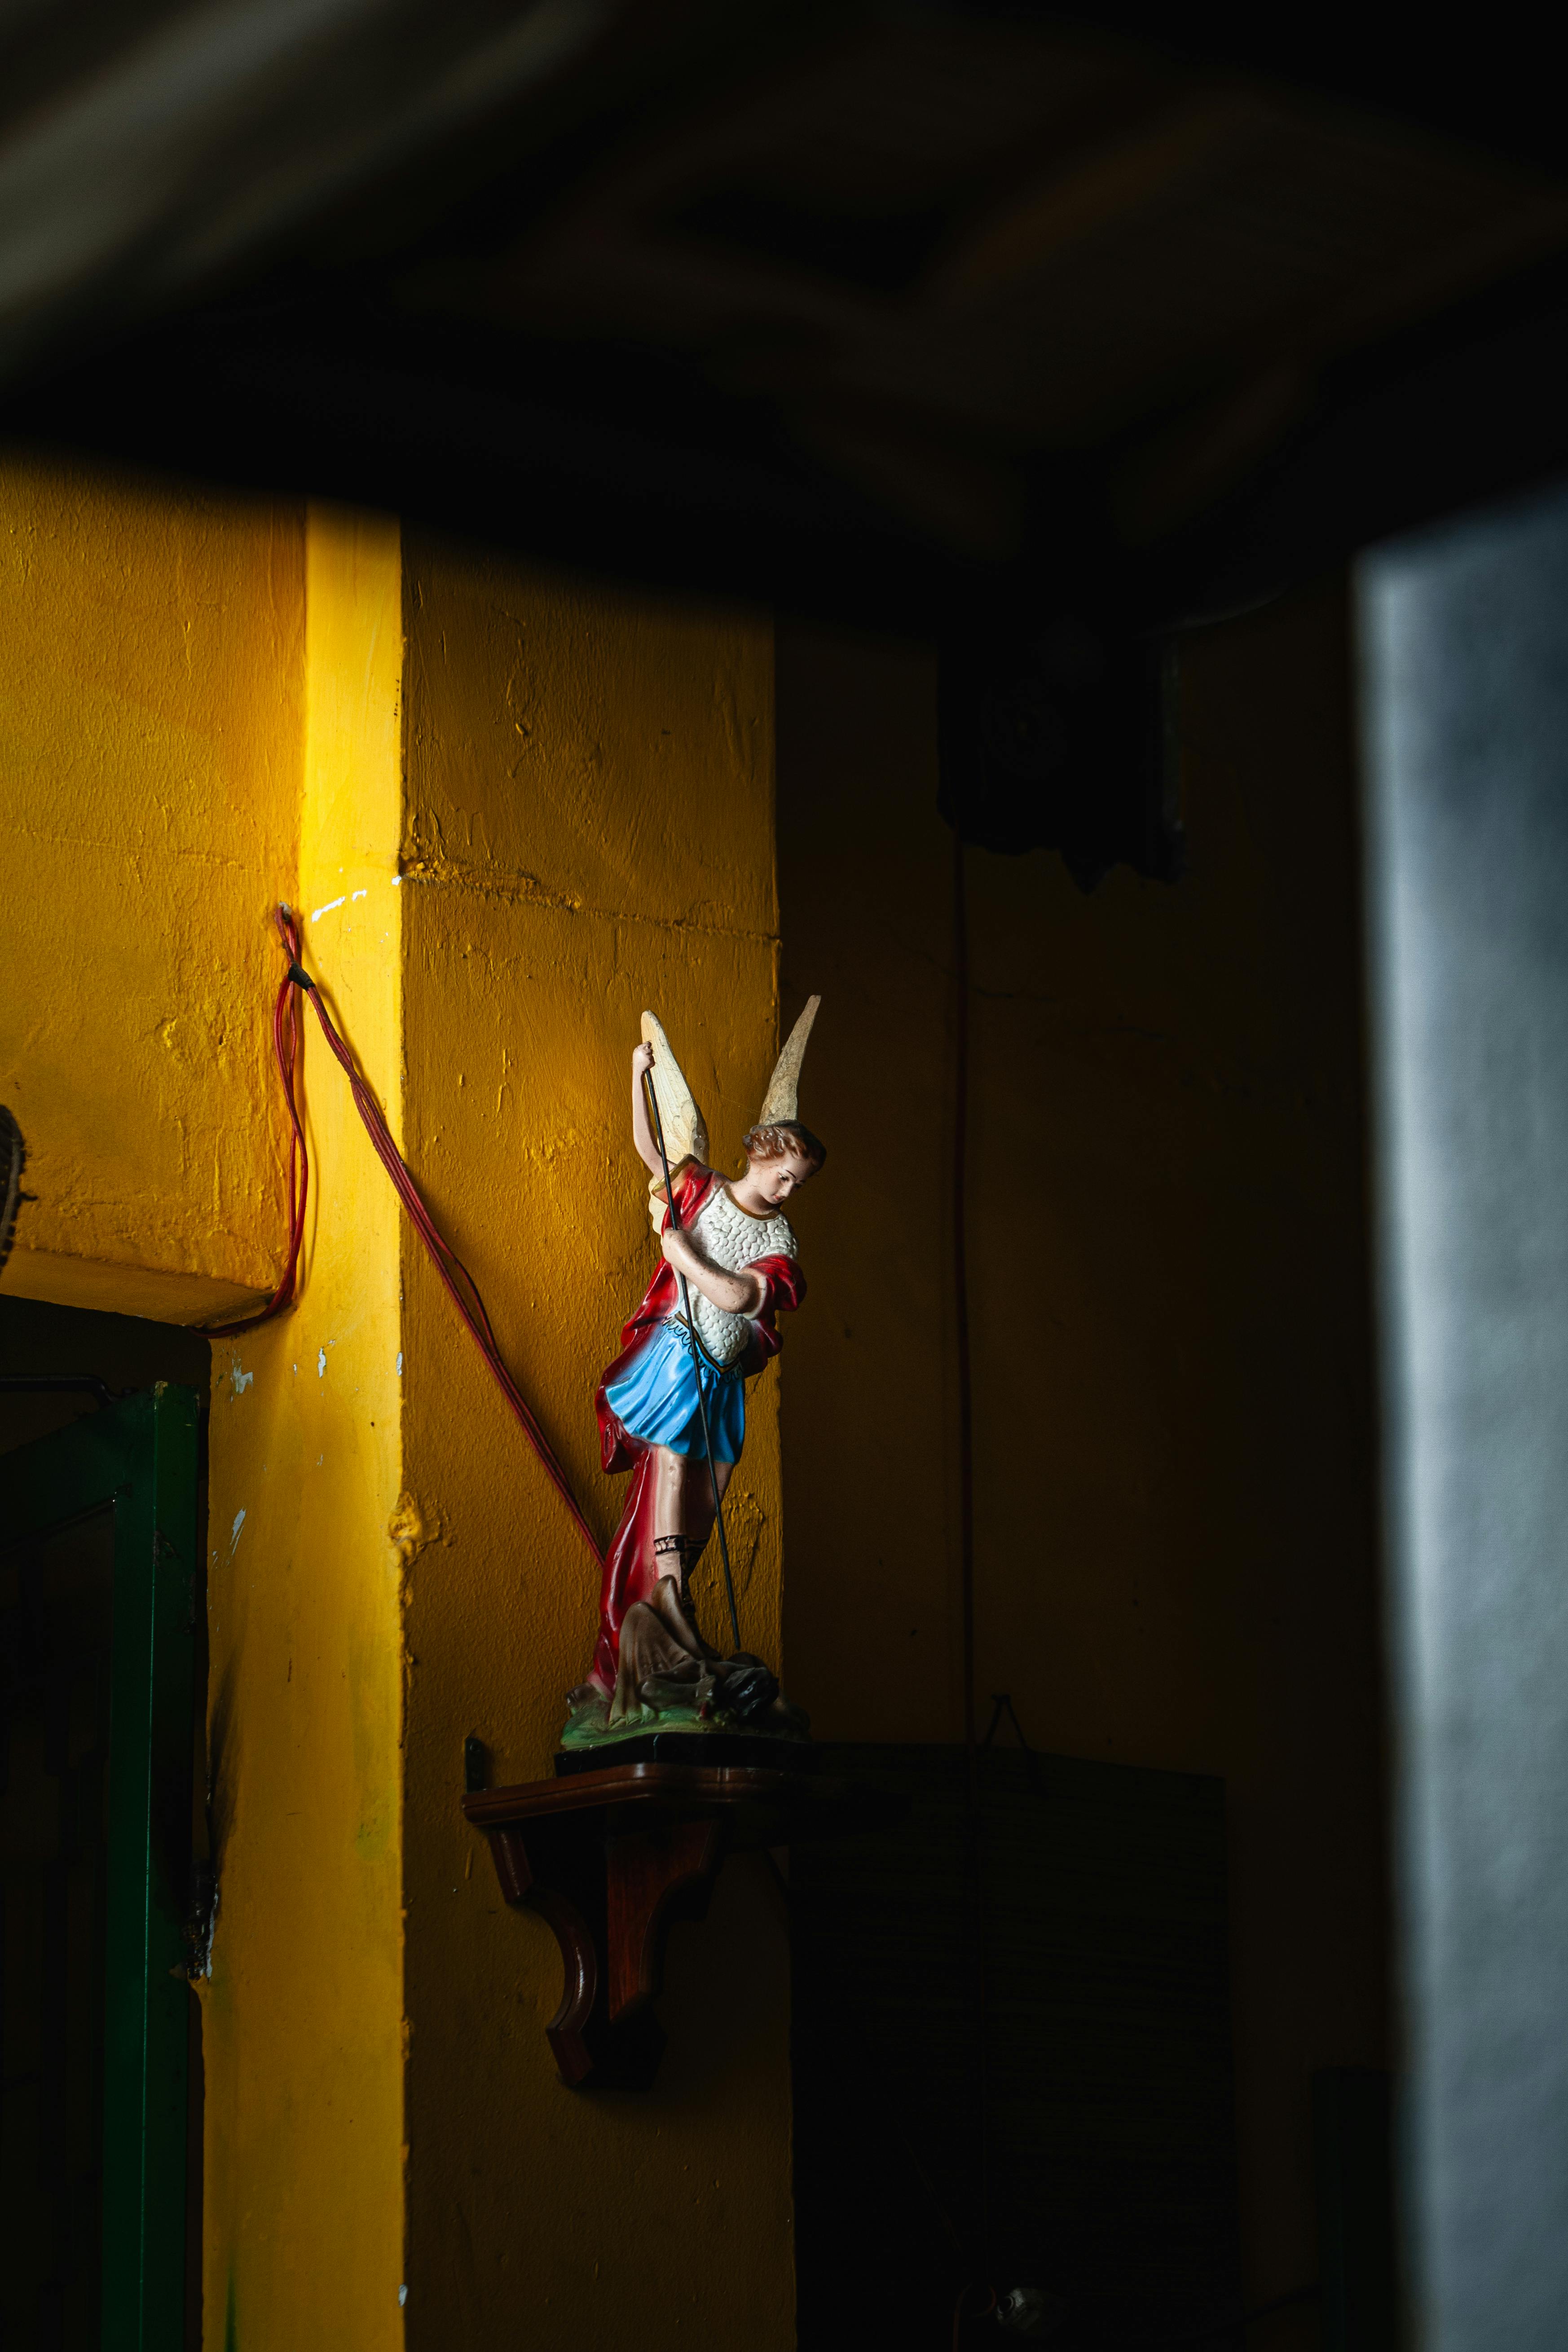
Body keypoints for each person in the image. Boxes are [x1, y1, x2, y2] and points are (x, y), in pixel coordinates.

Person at [586, 1001, 823, 1706]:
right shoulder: (702, 1189)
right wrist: (638, 1076)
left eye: (798, 1186)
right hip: (678, 1353)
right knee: (674, 1459)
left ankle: (674, 1593)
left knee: (709, 1491)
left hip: (722, 1372)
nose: (788, 1192)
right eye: (786, 1175)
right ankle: (672, 1595)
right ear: (763, 1150)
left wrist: (685, 1257)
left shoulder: (781, 1242)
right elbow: (650, 1147)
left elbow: (745, 1299)